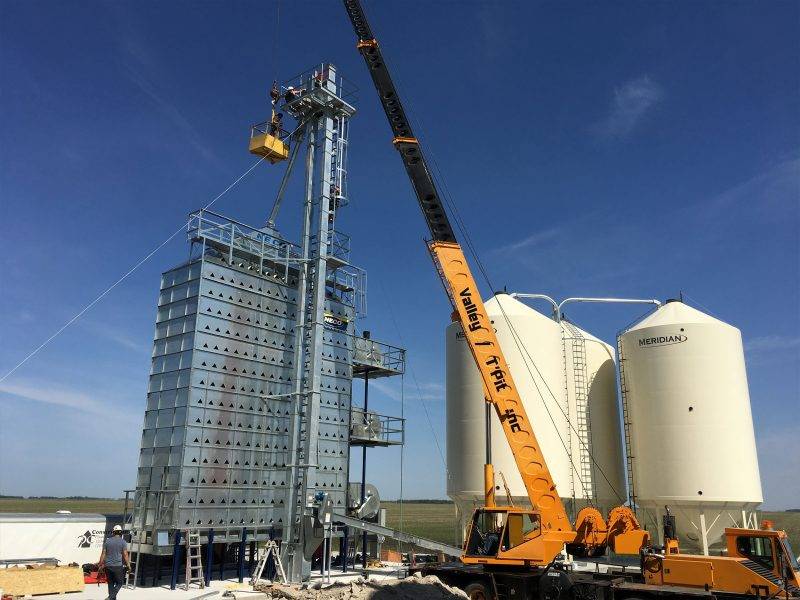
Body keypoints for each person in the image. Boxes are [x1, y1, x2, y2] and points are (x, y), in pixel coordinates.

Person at [98, 525, 130, 600]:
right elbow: (125, 554)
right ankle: (110, 597)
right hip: (117, 566)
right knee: (120, 583)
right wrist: (128, 565)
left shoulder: (108, 541)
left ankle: (112, 598)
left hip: (108, 566)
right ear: (121, 532)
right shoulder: (123, 542)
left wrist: (100, 564)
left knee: (111, 583)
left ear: (113, 532)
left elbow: (103, 553)